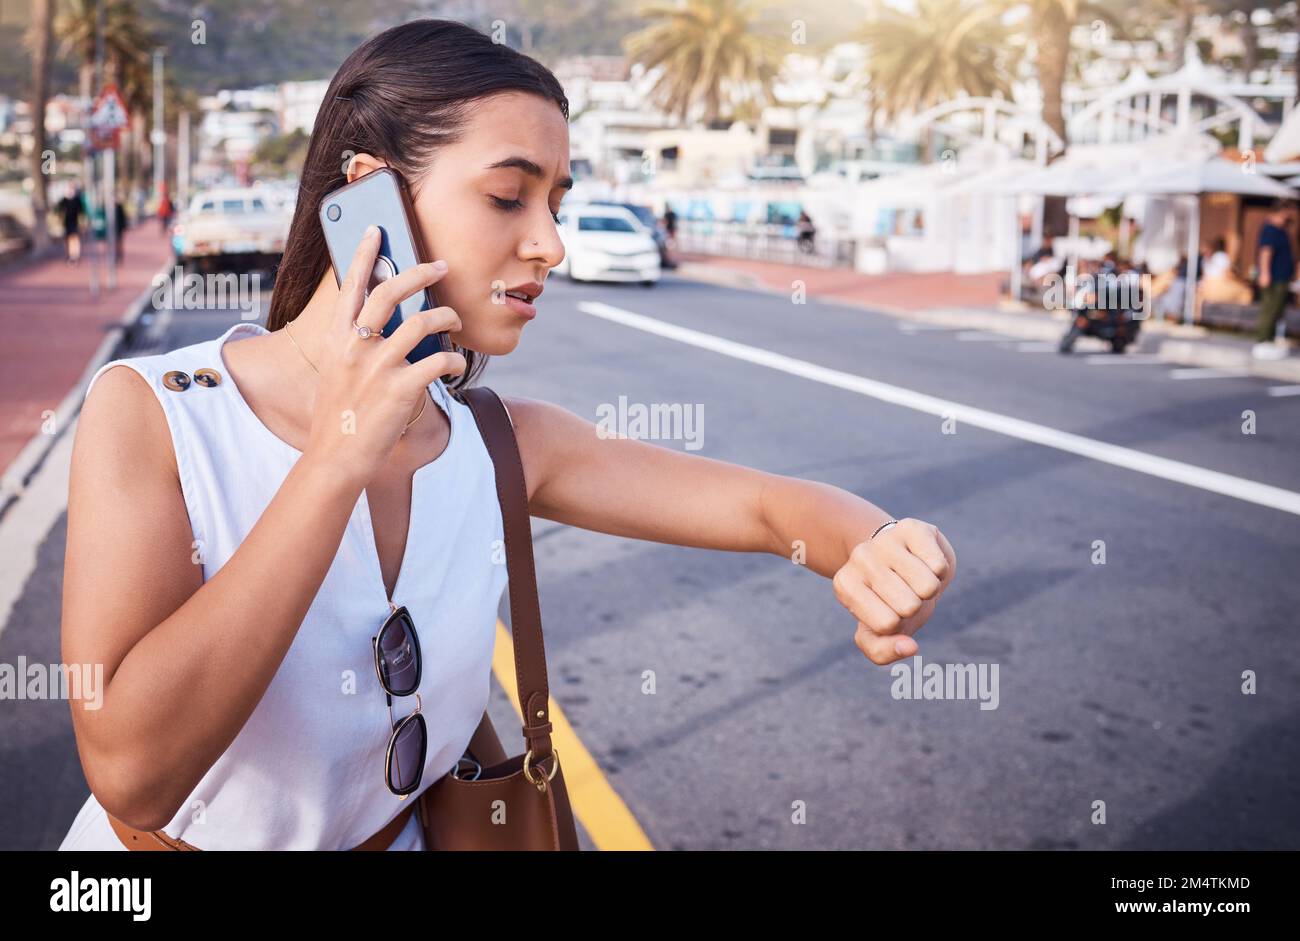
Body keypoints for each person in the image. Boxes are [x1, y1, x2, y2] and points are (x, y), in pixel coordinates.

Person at [57, 19, 956, 852]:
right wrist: (337, 457)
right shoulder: (158, 412)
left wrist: (871, 543)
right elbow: (134, 775)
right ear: (373, 198)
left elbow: (766, 509)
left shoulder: (498, 443)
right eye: (507, 196)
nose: (551, 244)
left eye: (556, 202)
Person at [1253, 200, 1296, 360]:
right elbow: (1265, 252)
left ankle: (1268, 340)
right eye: (1292, 210)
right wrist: (1264, 273)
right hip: (1274, 276)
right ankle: (1262, 340)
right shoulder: (1270, 229)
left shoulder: (1283, 229)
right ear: (1283, 210)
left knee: (1277, 310)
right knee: (1269, 309)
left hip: (1282, 276)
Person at [58, 184, 83, 265]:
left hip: (75, 223)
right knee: (68, 240)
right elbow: (59, 210)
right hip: (67, 223)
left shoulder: (77, 200)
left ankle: (75, 256)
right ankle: (70, 256)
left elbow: (81, 212)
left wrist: (82, 223)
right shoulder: (64, 200)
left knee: (75, 240)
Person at [113, 199, 127, 265]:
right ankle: (116, 256)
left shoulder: (119, 207)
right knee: (115, 244)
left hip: (118, 229)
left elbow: (123, 218)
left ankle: (119, 256)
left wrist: (124, 227)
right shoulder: (109, 208)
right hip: (113, 229)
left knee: (119, 243)